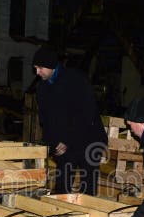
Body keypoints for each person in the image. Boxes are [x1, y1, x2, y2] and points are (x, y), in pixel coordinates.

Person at [32, 46, 107, 195]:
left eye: (40, 68)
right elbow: (45, 120)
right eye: (35, 68)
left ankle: (88, 214)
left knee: (88, 185)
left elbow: (86, 114)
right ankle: (61, 214)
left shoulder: (76, 80)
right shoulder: (42, 88)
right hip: (64, 144)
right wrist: (54, 143)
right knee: (62, 185)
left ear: (52, 65)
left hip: (88, 138)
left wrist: (67, 140)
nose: (37, 72)